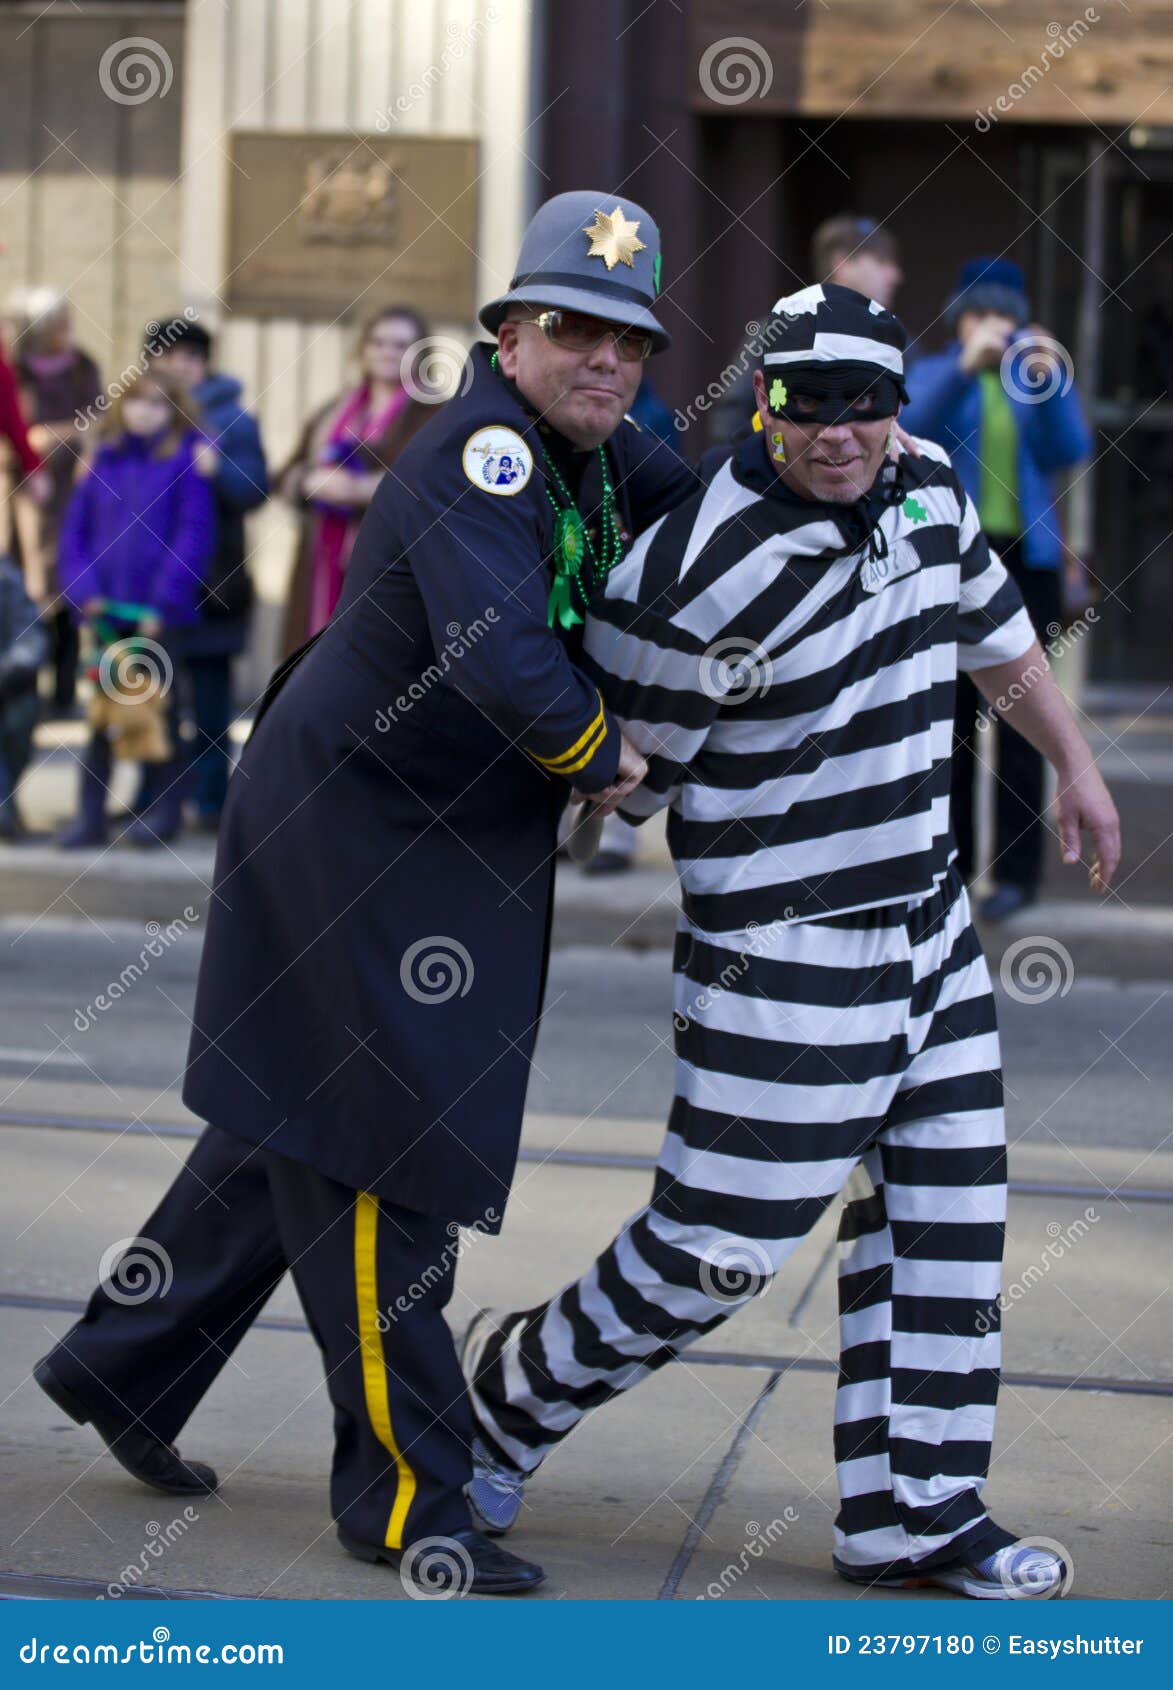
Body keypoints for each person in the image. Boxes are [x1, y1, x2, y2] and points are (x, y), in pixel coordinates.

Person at [34, 192, 697, 1596]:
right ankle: (407, 1496)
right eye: (572, 327)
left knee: (293, 1113)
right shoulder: (485, 456)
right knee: (379, 1149)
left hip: (411, 827)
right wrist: (609, 760)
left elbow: (706, 494)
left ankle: (121, 1364)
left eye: (629, 340)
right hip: (353, 826)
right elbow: (502, 655)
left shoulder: (594, 446)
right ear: (509, 336)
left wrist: (842, 439)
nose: (605, 357)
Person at [462, 283, 1121, 1601]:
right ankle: (504, 1401)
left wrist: (1076, 763)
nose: (838, 431)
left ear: (897, 401)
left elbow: (996, 640)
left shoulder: (930, 485)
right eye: (806, 402)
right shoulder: (688, 568)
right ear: (761, 404)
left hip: (932, 925)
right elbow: (622, 780)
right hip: (779, 952)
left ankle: (912, 1512)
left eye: (862, 402)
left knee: (948, 1222)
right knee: (718, 1249)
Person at [902, 258, 1092, 921]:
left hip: (1026, 562)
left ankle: (1016, 875)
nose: (995, 327)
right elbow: (912, 430)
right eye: (982, 314)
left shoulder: (1029, 380)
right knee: (950, 721)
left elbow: (1069, 448)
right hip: (953, 560)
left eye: (1006, 316)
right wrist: (964, 367)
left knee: (1023, 721)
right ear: (960, 319)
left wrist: (1050, 378)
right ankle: (947, 869)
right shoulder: (936, 371)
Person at [53, 370, 215, 848]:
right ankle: (90, 817)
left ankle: (165, 815)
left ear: (175, 412)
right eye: (137, 402)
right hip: (105, 615)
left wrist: (163, 603)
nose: (145, 412)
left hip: (159, 618)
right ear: (121, 406)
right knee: (102, 715)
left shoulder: (185, 463)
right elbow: (73, 535)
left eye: (159, 405)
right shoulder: (100, 461)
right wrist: (84, 592)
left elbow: (193, 537)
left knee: (160, 712)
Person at [137, 316, 268, 841]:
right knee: (151, 697)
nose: (178, 366)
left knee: (211, 705)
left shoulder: (232, 420)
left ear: (204, 363)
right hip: (149, 590)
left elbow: (254, 489)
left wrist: (218, 470)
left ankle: (212, 804)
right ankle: (153, 800)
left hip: (215, 584)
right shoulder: (140, 416)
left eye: (189, 357)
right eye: (167, 356)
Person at [277, 306, 436, 657]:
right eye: (377, 342)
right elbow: (286, 474)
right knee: (312, 662)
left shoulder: (435, 412)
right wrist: (310, 482)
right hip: (320, 558)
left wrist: (365, 490)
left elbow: (440, 483)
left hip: (392, 563)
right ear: (363, 348)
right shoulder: (332, 411)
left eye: (400, 345)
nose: (387, 352)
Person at [13, 290, 103, 716]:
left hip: (71, 492)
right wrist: (23, 450)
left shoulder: (83, 367)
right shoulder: (16, 370)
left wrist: (53, 437)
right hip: (21, 496)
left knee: (67, 587)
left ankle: (64, 693)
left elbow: (97, 422)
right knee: (25, 590)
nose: (62, 333)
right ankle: (25, 692)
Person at [0, 551, 47, 839]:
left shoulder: (7, 580)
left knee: (21, 716)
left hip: (9, 681)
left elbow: (31, 638)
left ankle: (5, 803)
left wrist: (7, 670)